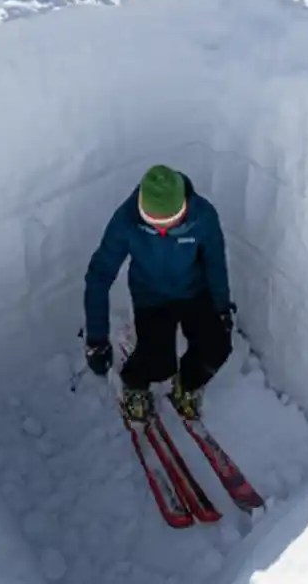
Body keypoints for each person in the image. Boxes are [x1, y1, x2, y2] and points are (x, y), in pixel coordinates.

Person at [83, 164, 234, 422]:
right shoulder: (125, 221)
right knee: (158, 363)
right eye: (153, 225)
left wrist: (221, 308)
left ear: (184, 207)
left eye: (169, 224)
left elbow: (215, 264)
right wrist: (96, 340)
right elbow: (99, 276)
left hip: (193, 292)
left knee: (217, 349)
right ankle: (134, 385)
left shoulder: (204, 216)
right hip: (151, 297)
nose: (162, 231)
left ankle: (186, 385)